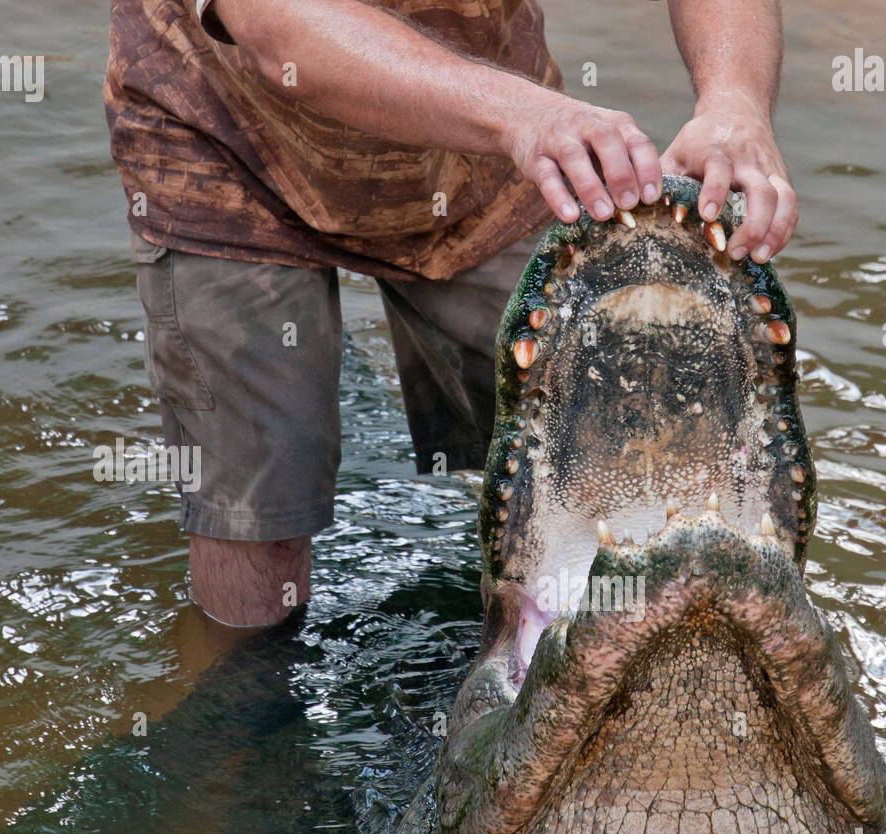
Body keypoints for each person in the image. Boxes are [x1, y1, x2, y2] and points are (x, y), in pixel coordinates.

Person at [106, 0, 798, 628]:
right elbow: (273, 20)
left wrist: (733, 102)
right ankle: (245, 741)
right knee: (262, 528)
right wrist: (522, 116)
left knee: (616, 473)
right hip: (226, 145)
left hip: (480, 144)